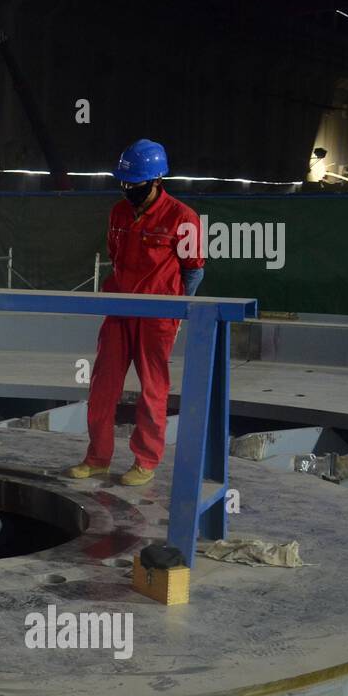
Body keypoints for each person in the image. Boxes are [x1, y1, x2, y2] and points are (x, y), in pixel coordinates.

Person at [67, 139, 205, 487]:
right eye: (125, 183)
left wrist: (177, 312)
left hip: (157, 315)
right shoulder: (118, 212)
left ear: (157, 181)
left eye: (136, 184)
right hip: (118, 310)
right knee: (102, 386)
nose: (129, 190)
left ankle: (145, 461)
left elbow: (194, 270)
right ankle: (97, 458)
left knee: (152, 390)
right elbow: (116, 256)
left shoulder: (182, 218)